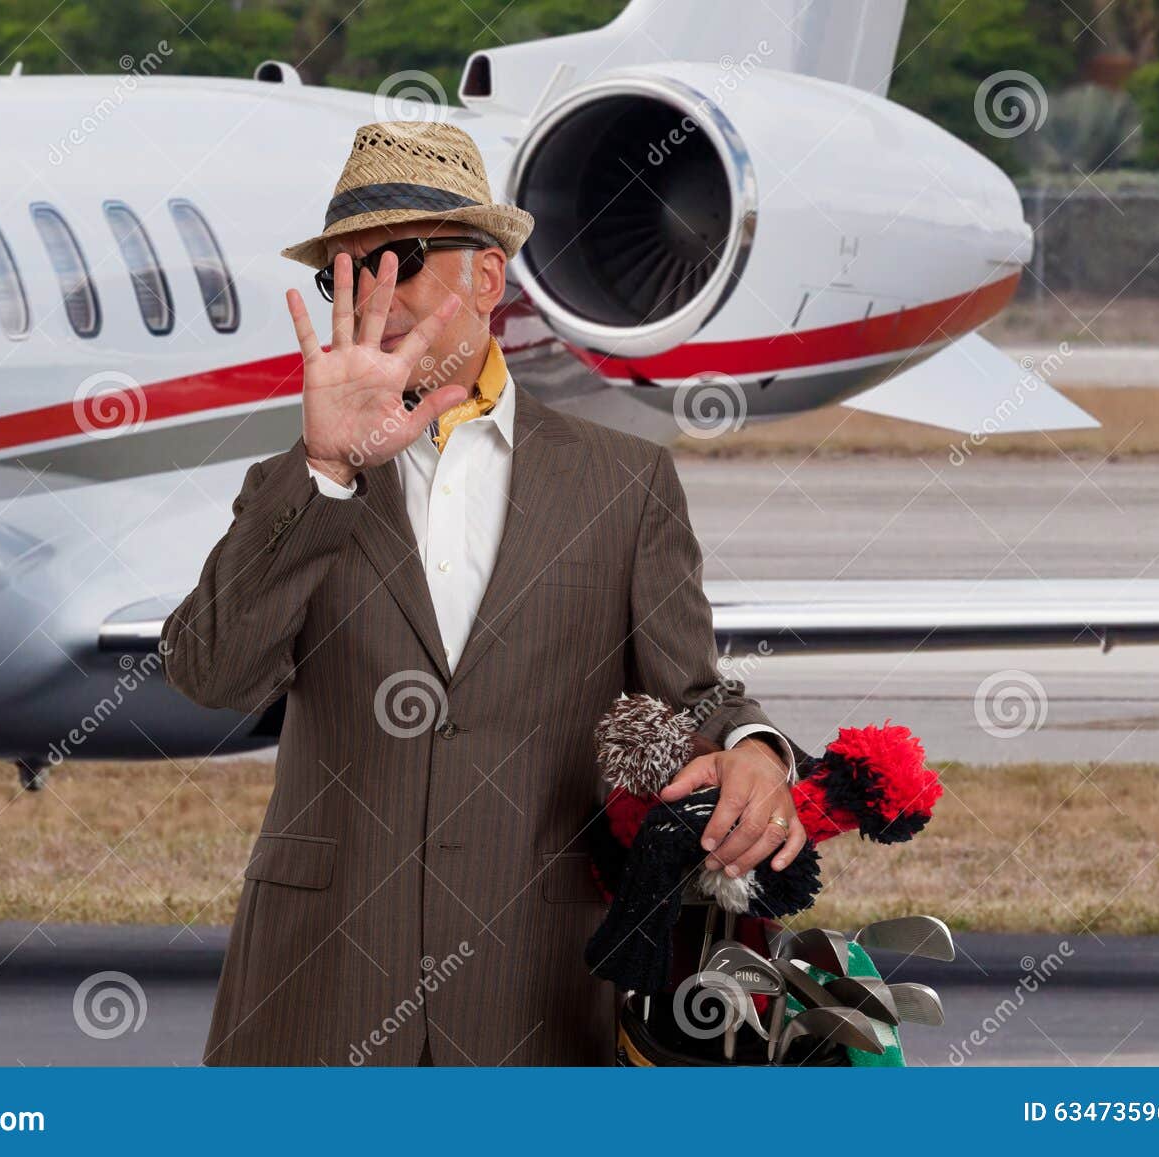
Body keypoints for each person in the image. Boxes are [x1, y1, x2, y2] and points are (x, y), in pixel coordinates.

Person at [162, 120, 805, 1066]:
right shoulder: (296, 484)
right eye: (341, 273)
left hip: (539, 989)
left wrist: (754, 750)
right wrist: (326, 466)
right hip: (316, 989)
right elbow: (210, 675)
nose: (367, 297)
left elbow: (690, 695)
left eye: (401, 259)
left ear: (489, 280)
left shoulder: (621, 483)